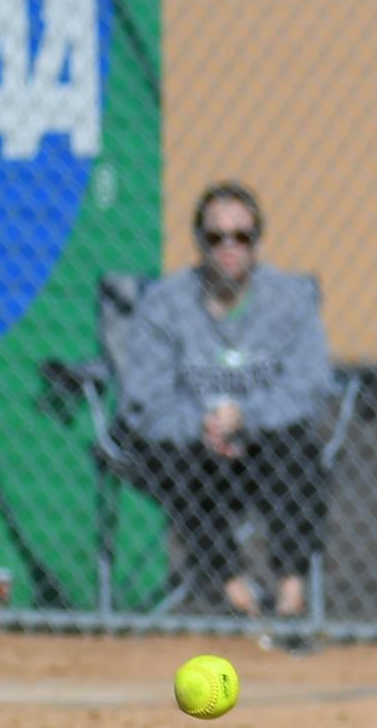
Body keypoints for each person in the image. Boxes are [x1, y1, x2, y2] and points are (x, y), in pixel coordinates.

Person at [114, 182, 334, 618]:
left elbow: (309, 385)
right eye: (216, 237)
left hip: (264, 447)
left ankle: (290, 594)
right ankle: (234, 589)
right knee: (174, 460)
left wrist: (245, 417)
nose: (229, 247)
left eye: (241, 236)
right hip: (191, 448)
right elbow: (146, 398)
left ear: (258, 243)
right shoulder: (164, 304)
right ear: (199, 243)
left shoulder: (290, 300)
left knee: (299, 450)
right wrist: (202, 424)